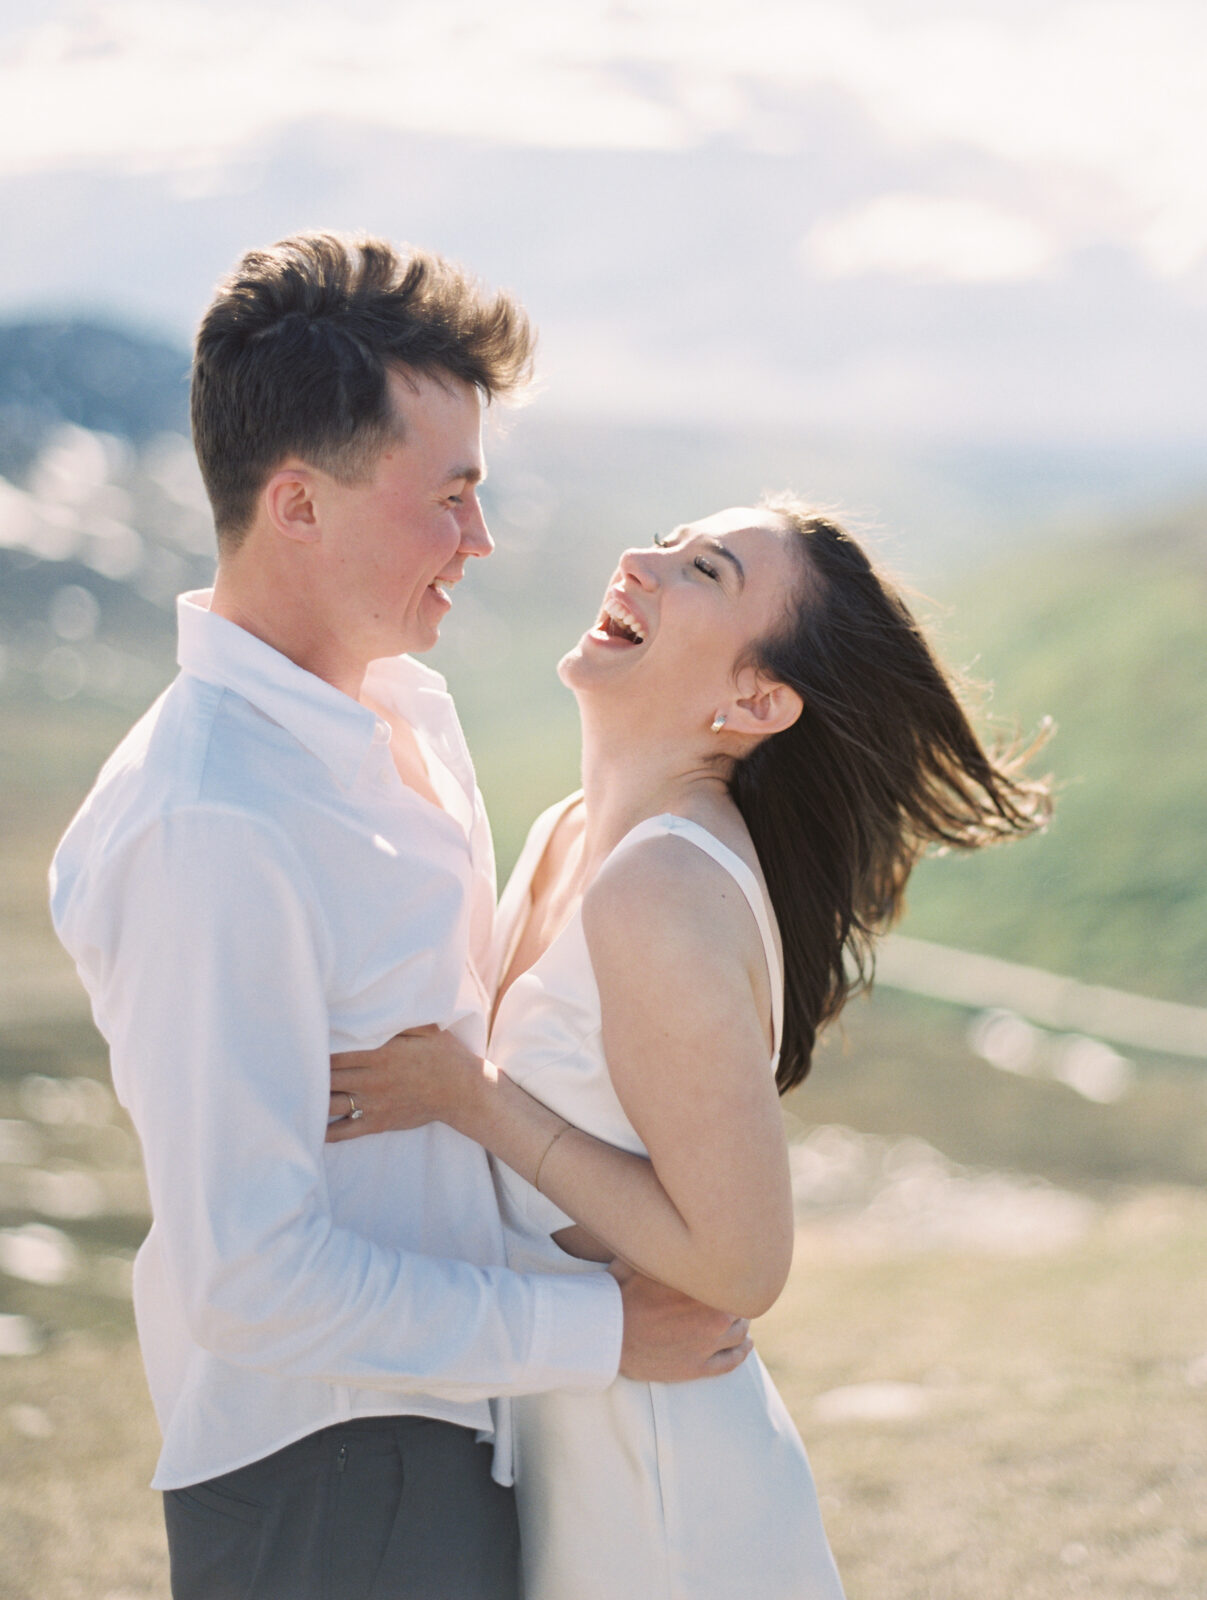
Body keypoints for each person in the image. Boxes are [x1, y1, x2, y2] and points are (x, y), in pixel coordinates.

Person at [48, 232, 753, 1600]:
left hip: (441, 1433)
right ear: (299, 507)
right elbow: (249, 1283)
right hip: (321, 1477)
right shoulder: (211, 820)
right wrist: (600, 1328)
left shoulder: (401, 714)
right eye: (447, 496)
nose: (478, 539)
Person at [328, 498, 1052, 1599]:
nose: (639, 561)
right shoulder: (572, 830)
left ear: (754, 700)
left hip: (661, 1497)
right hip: (573, 1445)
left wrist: (472, 1099)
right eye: (667, 539)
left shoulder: (661, 888)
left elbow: (742, 1263)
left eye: (704, 571)